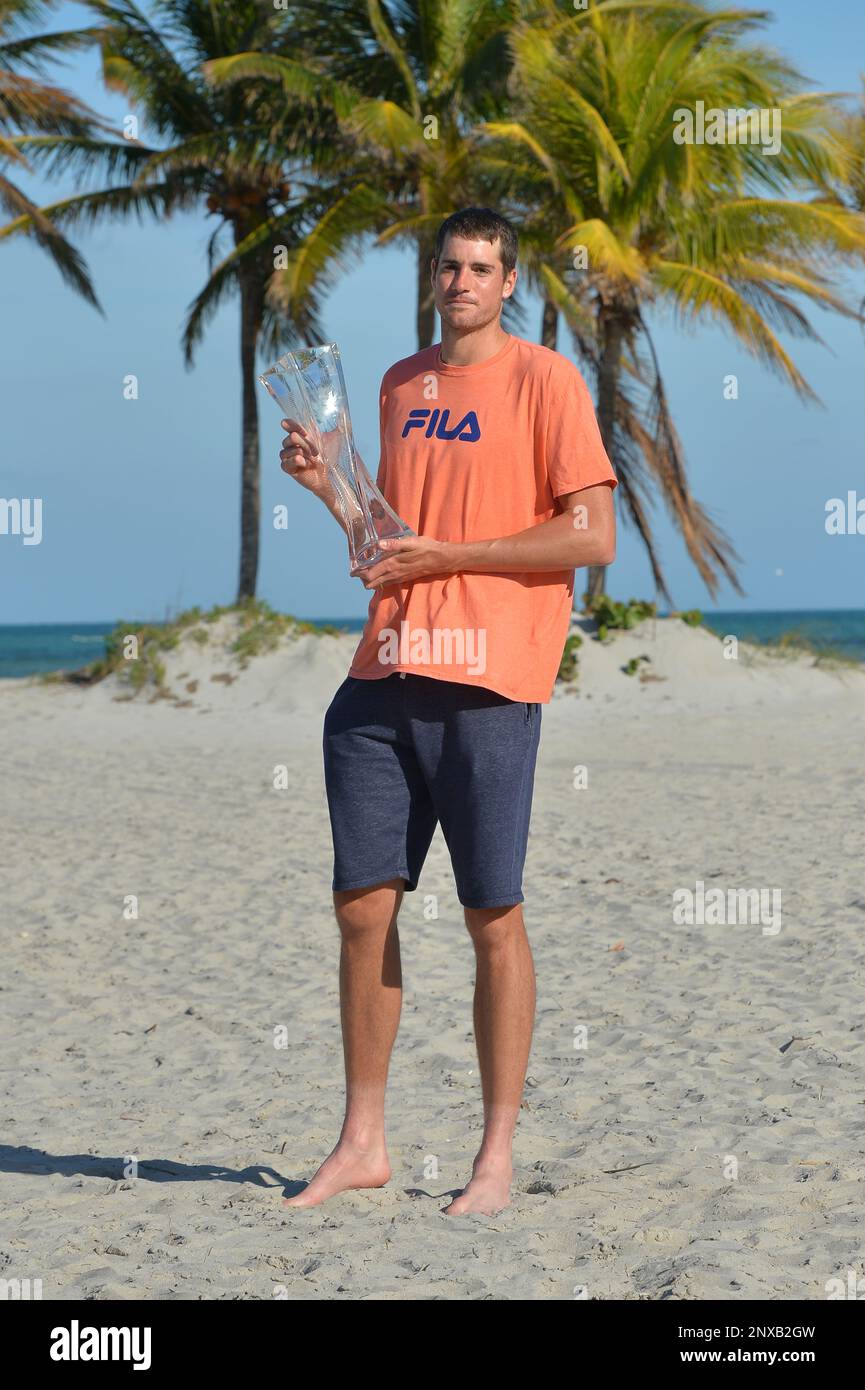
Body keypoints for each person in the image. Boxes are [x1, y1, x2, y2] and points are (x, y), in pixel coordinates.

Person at [278, 207, 617, 1215]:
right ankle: (363, 1141)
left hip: (491, 679)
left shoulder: (546, 380)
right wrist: (330, 491)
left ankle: (494, 1157)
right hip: (384, 671)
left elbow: (590, 537)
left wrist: (454, 557)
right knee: (359, 909)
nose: (461, 281)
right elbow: (387, 541)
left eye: (480, 267)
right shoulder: (395, 383)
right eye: (448, 266)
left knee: (491, 916)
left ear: (509, 282)